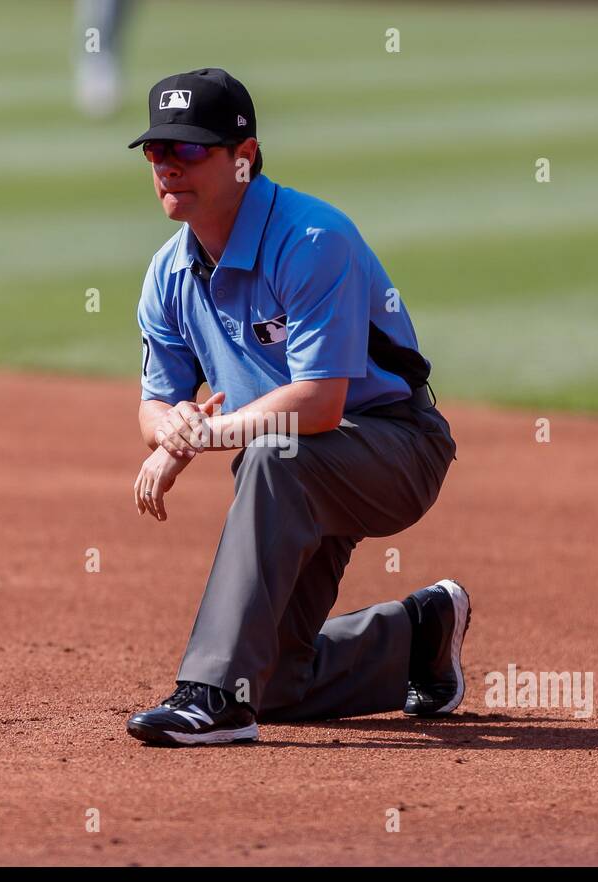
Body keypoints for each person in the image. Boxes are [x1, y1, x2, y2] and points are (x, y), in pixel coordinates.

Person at [126, 68, 470, 746]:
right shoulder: (167, 273)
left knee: (273, 454)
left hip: (394, 447)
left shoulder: (312, 240)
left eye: (190, 150)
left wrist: (201, 435)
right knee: (276, 681)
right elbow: (155, 401)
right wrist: (170, 427)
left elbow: (318, 403)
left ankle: (213, 695)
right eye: (157, 152)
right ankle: (419, 634)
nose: (168, 166)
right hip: (298, 469)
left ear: (244, 159)